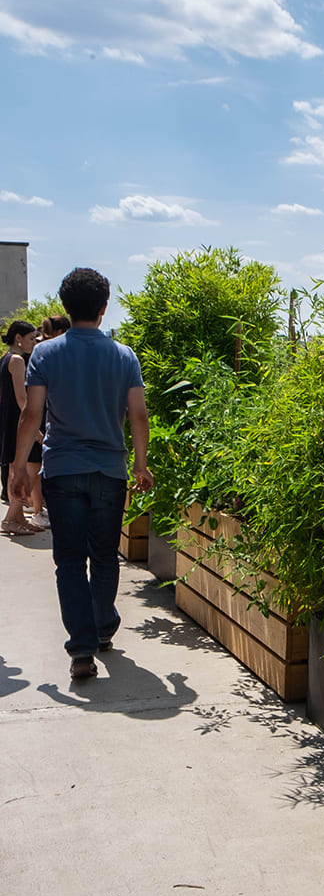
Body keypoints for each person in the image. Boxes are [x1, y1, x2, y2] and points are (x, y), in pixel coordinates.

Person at [10, 268, 153, 681]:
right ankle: (103, 628)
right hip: (110, 470)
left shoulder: (47, 354)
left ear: (66, 308)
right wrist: (140, 465)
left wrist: (20, 468)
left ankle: (82, 649)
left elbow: (30, 414)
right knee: (105, 555)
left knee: (69, 560)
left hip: (63, 471)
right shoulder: (124, 356)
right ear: (104, 308)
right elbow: (138, 415)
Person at [27, 315, 71, 530]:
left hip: (49, 423)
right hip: (47, 416)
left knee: (36, 464)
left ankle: (38, 508)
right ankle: (38, 509)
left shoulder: (42, 351)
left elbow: (30, 409)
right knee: (36, 464)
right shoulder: (51, 351)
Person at [1, 320, 43, 535]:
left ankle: (17, 518)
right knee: (29, 468)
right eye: (30, 338)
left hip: (9, 421)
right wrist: (34, 428)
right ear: (18, 338)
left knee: (13, 469)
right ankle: (10, 519)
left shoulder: (5, 358)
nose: (34, 343)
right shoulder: (17, 360)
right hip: (19, 422)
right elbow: (21, 398)